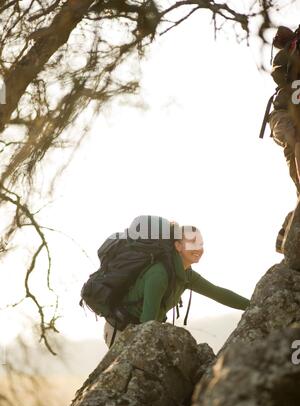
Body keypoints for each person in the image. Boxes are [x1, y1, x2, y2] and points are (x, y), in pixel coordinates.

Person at [104, 224, 250, 347]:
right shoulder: (159, 274)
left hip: (142, 328)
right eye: (192, 242)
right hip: (120, 329)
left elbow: (218, 293)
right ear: (178, 246)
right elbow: (146, 321)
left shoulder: (186, 274)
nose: (199, 248)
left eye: (201, 244)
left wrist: (253, 305)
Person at [266, 25, 300, 253]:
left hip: (288, 119)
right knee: (296, 141)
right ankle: (290, 242)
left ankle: (286, 235)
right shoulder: (292, 52)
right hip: (284, 117)